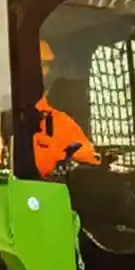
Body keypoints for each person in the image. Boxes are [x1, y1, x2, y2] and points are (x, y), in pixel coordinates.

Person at [33, 39, 102, 178]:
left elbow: (90, 165)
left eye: (44, 65)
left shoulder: (62, 124)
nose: (42, 72)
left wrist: (70, 170)